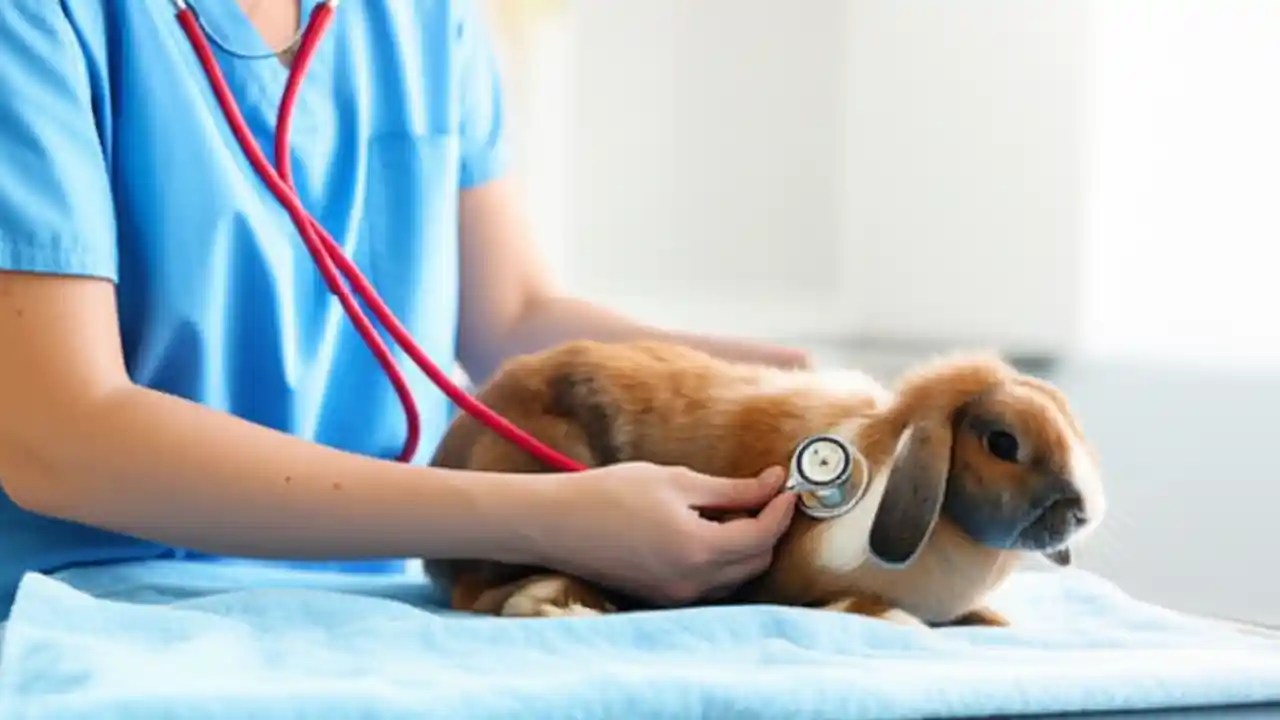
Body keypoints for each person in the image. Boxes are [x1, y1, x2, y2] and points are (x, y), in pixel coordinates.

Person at [0, 0, 809, 620]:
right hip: (94, 602)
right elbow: (61, 435)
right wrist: (541, 519)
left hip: (385, 601)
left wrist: (782, 395)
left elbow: (509, 317)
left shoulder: (423, 16)